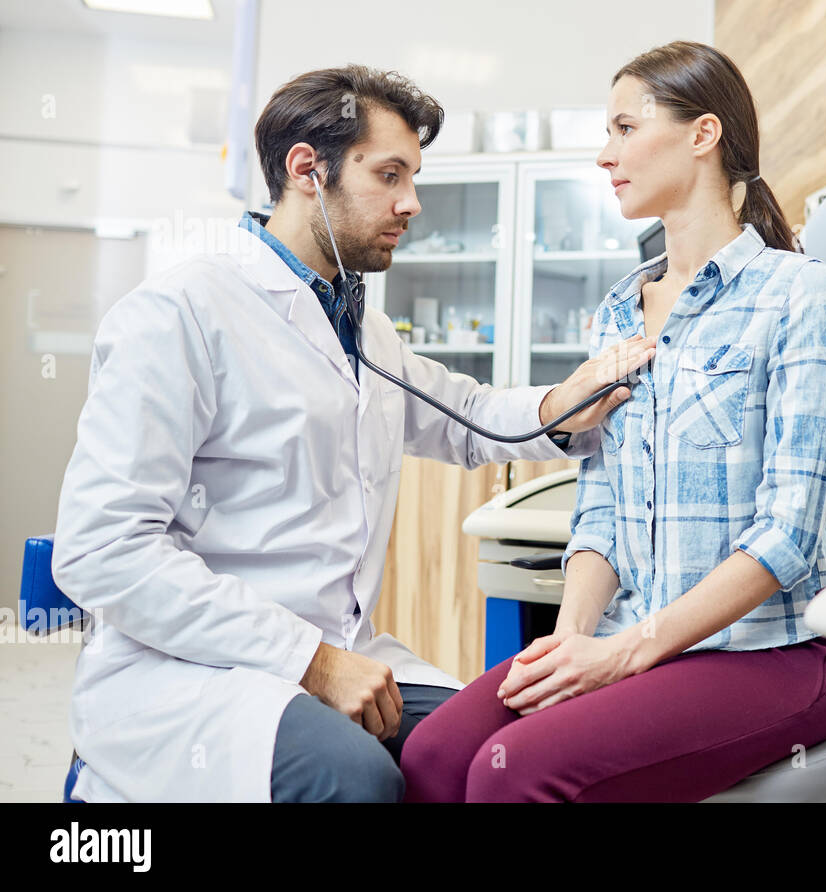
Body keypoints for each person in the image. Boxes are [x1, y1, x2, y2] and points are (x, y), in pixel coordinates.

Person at [51, 65, 651, 802]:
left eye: (414, 176)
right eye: (390, 174)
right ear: (309, 169)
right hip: (193, 671)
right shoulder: (180, 312)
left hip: (337, 654)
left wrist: (568, 399)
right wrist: (310, 660)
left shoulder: (356, 322)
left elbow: (461, 415)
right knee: (357, 778)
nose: (412, 203)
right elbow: (102, 551)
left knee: (493, 746)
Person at [400, 41, 826, 802]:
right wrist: (575, 636)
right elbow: (602, 510)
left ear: (703, 134)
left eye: (622, 128)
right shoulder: (619, 310)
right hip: (636, 631)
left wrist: (628, 655)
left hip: (775, 649)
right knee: (434, 755)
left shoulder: (796, 291)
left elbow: (788, 533)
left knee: (514, 776)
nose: (604, 154)